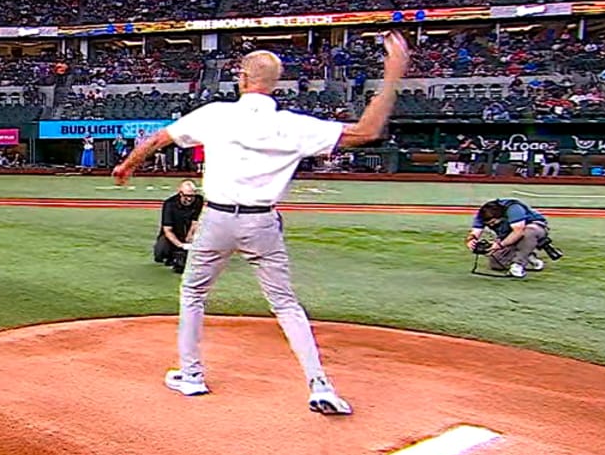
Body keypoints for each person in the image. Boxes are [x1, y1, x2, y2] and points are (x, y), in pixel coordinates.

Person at [112, 31, 411, 415]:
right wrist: (392, 74)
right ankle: (319, 384)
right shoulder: (291, 124)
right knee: (285, 304)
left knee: (193, 294)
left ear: (242, 78)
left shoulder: (215, 114)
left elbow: (157, 140)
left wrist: (127, 165)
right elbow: (366, 131)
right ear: (276, 84)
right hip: (262, 222)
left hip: (217, 217)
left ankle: (192, 375)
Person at [467, 199, 550, 279]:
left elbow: (518, 232)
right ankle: (528, 257)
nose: (491, 226)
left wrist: (500, 245)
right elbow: (475, 232)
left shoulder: (514, 209)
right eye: (489, 224)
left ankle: (518, 264)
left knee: (529, 232)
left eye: (493, 222)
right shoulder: (482, 214)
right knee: (496, 263)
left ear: (502, 216)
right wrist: (471, 240)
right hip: (509, 234)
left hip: (535, 229)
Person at [153, 180, 204, 274]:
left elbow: (195, 221)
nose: (189, 199)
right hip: (172, 235)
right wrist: (180, 245)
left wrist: (190, 235)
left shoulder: (198, 201)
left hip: (187, 233)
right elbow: (167, 230)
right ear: (180, 194)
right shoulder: (169, 204)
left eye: (192, 196)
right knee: (160, 255)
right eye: (187, 196)